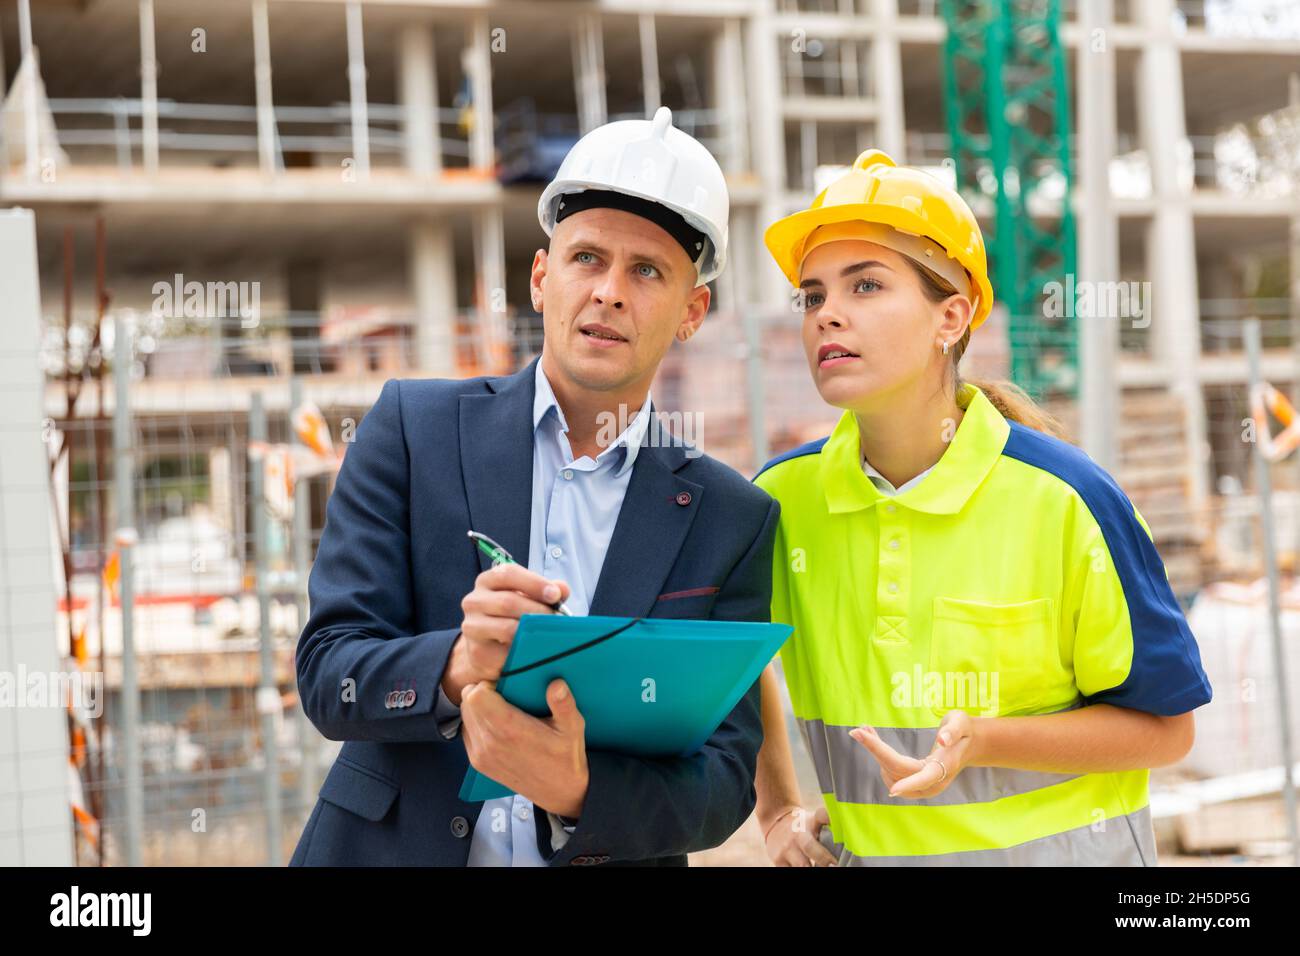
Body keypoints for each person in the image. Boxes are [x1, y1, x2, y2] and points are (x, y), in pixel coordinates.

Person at [290, 108, 778, 866]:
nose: (610, 292)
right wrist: (454, 665)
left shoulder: (730, 516)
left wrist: (580, 790)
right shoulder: (412, 431)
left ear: (692, 312)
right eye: (588, 258)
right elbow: (328, 674)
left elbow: (722, 781)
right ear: (543, 276)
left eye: (647, 271)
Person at [751, 149, 1213, 866]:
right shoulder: (781, 501)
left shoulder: (1067, 500)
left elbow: (1166, 730)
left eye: (865, 285)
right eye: (812, 296)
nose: (826, 315)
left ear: (952, 316)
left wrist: (986, 739)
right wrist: (777, 808)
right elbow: (730, 663)